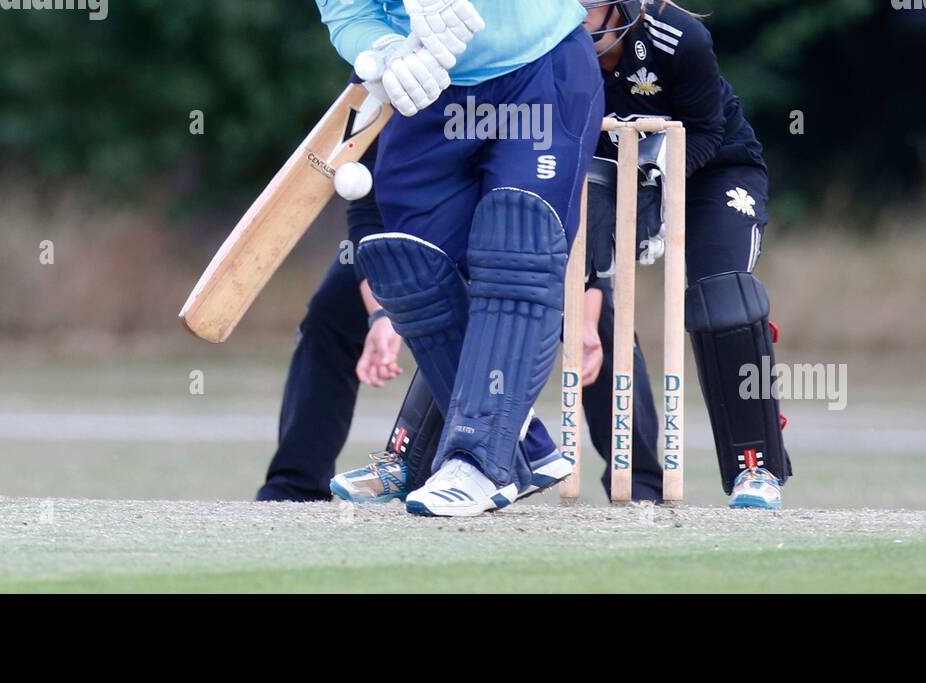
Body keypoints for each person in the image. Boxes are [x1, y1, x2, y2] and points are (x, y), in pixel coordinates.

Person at [275, 0, 603, 516]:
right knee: (404, 254)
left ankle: (474, 460)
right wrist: (380, 54)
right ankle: (519, 443)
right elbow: (345, 13)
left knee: (513, 244)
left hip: (538, 64)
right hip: (437, 91)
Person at [541, 0, 792, 509]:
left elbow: (706, 130)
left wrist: (654, 184)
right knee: (555, 295)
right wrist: (588, 278)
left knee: (721, 296)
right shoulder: (534, 49)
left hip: (711, 168)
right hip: (597, 171)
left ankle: (755, 465)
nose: (573, 8)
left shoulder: (680, 38)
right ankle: (635, 479)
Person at [258, 142, 665, 504]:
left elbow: (580, 211)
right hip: (422, 238)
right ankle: (297, 485)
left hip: (519, 229)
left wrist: (585, 312)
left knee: (603, 329)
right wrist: (383, 314)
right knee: (331, 312)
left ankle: (639, 484)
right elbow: (367, 218)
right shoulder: (389, 96)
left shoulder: (520, 82)